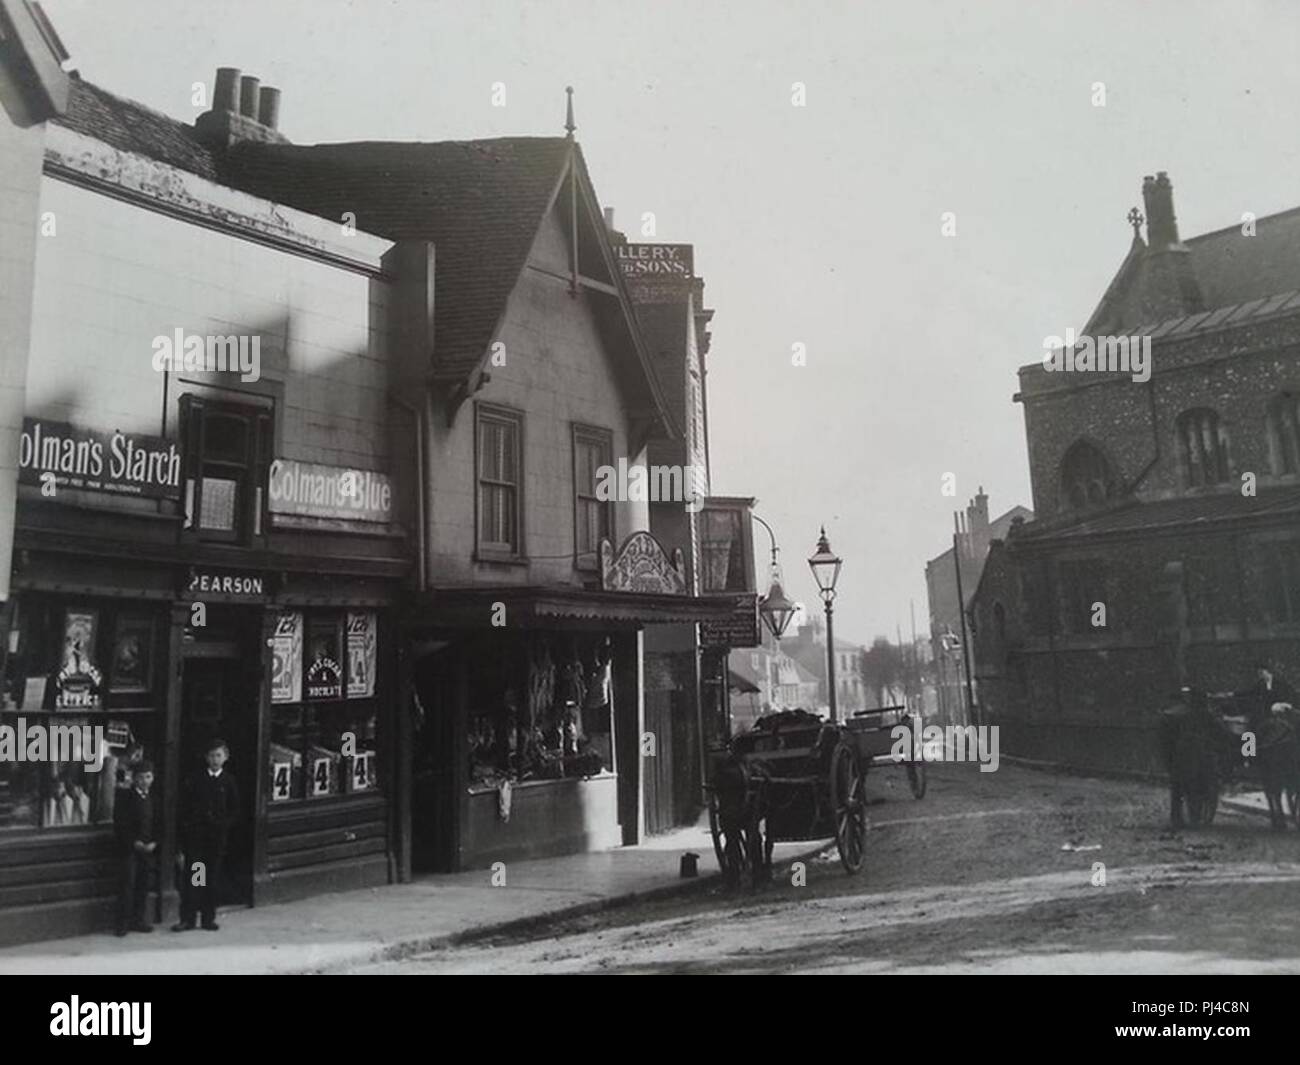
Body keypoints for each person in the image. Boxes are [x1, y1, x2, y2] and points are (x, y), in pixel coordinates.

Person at [172, 738, 239, 932]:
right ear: (206, 758)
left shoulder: (228, 781)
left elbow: (235, 810)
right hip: (197, 840)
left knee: (212, 879)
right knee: (195, 878)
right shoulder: (196, 779)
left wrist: (222, 824)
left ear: (225, 758)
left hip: (215, 840)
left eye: (218, 755)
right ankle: (188, 918)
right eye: (211, 755)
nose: (215, 759)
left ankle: (208, 918)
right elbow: (185, 806)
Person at [112, 759, 156, 936]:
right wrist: (133, 842)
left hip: (147, 849)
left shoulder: (153, 798)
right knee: (127, 885)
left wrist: (154, 843)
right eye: (141, 777)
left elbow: (158, 823)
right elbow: (120, 824)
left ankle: (138, 920)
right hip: (130, 849)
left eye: (148, 777)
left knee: (143, 885)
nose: (145, 781)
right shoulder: (126, 798)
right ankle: (122, 923)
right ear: (134, 779)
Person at [1235, 663, 1296, 732]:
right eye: (1259, 674)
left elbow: (1288, 693)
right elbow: (1250, 692)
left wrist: (1284, 704)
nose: (1260, 675)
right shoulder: (1261, 683)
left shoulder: (1279, 682)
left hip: (1280, 705)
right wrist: (1233, 694)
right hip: (1267, 709)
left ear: (1268, 671)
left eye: (1262, 672)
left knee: (1275, 708)